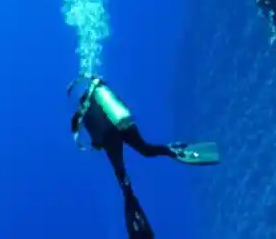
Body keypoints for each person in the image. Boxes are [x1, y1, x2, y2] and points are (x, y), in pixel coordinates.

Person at [68, 75, 219, 238]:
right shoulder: (98, 91)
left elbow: (90, 142)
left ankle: (133, 210)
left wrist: (94, 144)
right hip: (123, 124)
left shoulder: (78, 115)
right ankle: (172, 150)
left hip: (109, 138)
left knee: (122, 178)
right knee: (146, 150)